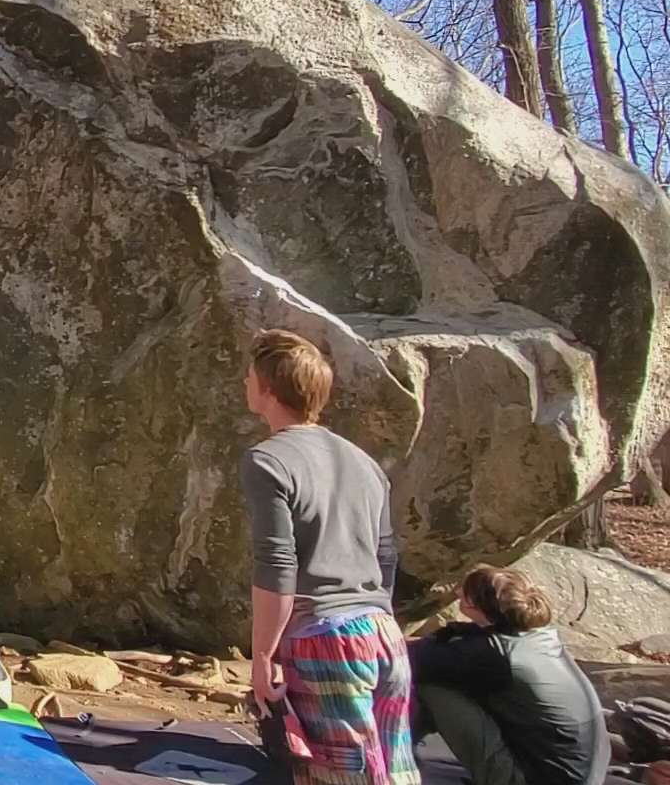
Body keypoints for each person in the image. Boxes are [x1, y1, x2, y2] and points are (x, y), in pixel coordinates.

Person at [240, 329, 419, 785]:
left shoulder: (267, 461)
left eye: (250, 377)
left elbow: (277, 565)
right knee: (396, 771)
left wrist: (262, 656)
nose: (245, 383)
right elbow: (386, 556)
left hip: (326, 642)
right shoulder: (364, 462)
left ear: (268, 389)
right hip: (382, 635)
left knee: (337, 777)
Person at [409, 565, 609, 785]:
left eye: (464, 591)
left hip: (533, 780)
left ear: (473, 604)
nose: (457, 592)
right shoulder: (539, 638)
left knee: (429, 686)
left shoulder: (497, 655)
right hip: (577, 773)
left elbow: (409, 660)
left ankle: (395, 760)